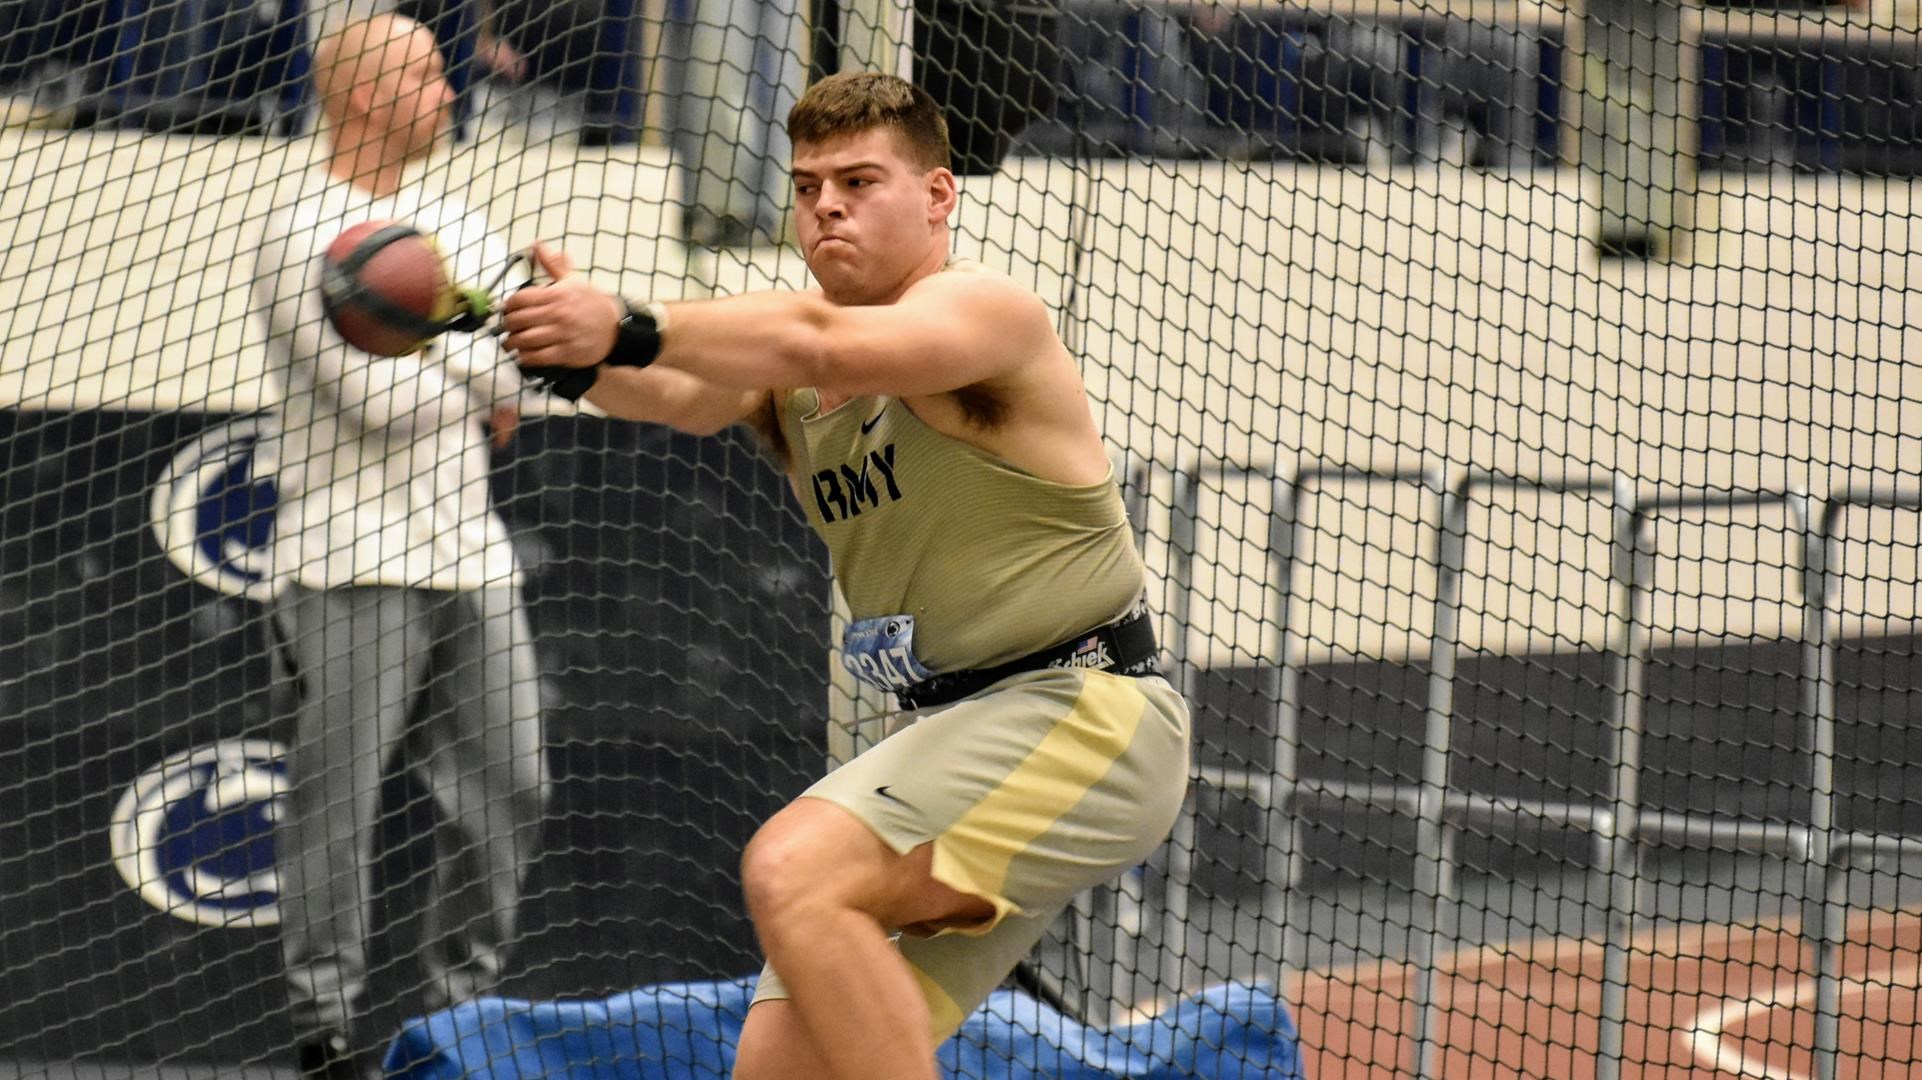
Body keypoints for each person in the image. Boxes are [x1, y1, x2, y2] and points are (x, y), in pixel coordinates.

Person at [499, 71, 1192, 1080]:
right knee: (785, 1068)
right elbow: (681, 396)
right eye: (810, 183)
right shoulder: (791, 378)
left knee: (792, 869)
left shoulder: (983, 313)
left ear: (937, 196)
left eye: (859, 180)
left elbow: (811, 333)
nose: (826, 202)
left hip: (1081, 711)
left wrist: (626, 320)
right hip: (960, 730)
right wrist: (563, 352)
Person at [249, 14, 547, 1079]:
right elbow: (371, 398)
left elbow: (526, 375)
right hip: (344, 562)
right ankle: (323, 1037)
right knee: (341, 804)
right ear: (363, 94)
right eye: (427, 73)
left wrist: (475, 362)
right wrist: (474, 364)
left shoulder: (455, 218)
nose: (450, 89)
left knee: (514, 785)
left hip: (472, 557)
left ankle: (458, 1024)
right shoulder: (298, 231)